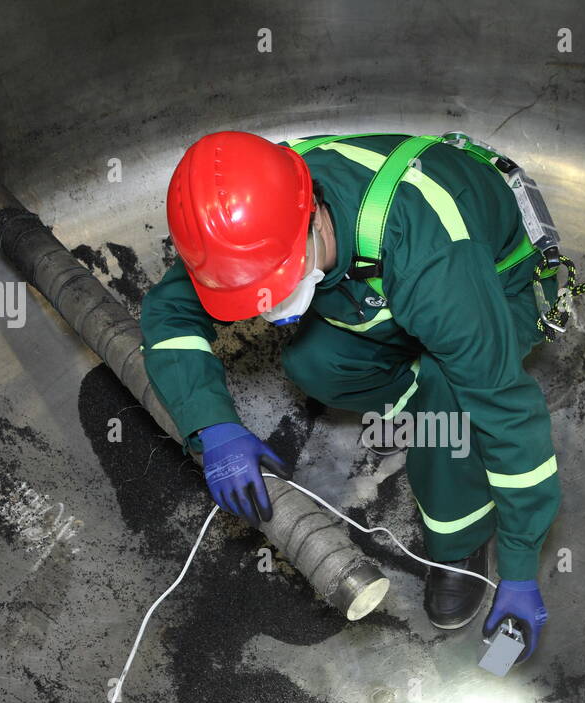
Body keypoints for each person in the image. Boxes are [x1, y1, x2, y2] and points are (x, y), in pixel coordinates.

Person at [140, 131, 559, 659]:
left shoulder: (436, 266)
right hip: (382, 281)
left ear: (314, 217)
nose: (267, 306)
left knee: (453, 396)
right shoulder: (248, 214)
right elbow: (168, 314)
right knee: (313, 361)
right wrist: (211, 424)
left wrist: (520, 571)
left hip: (492, 282)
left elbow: (513, 420)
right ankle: (424, 402)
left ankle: (459, 540)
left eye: (277, 278)